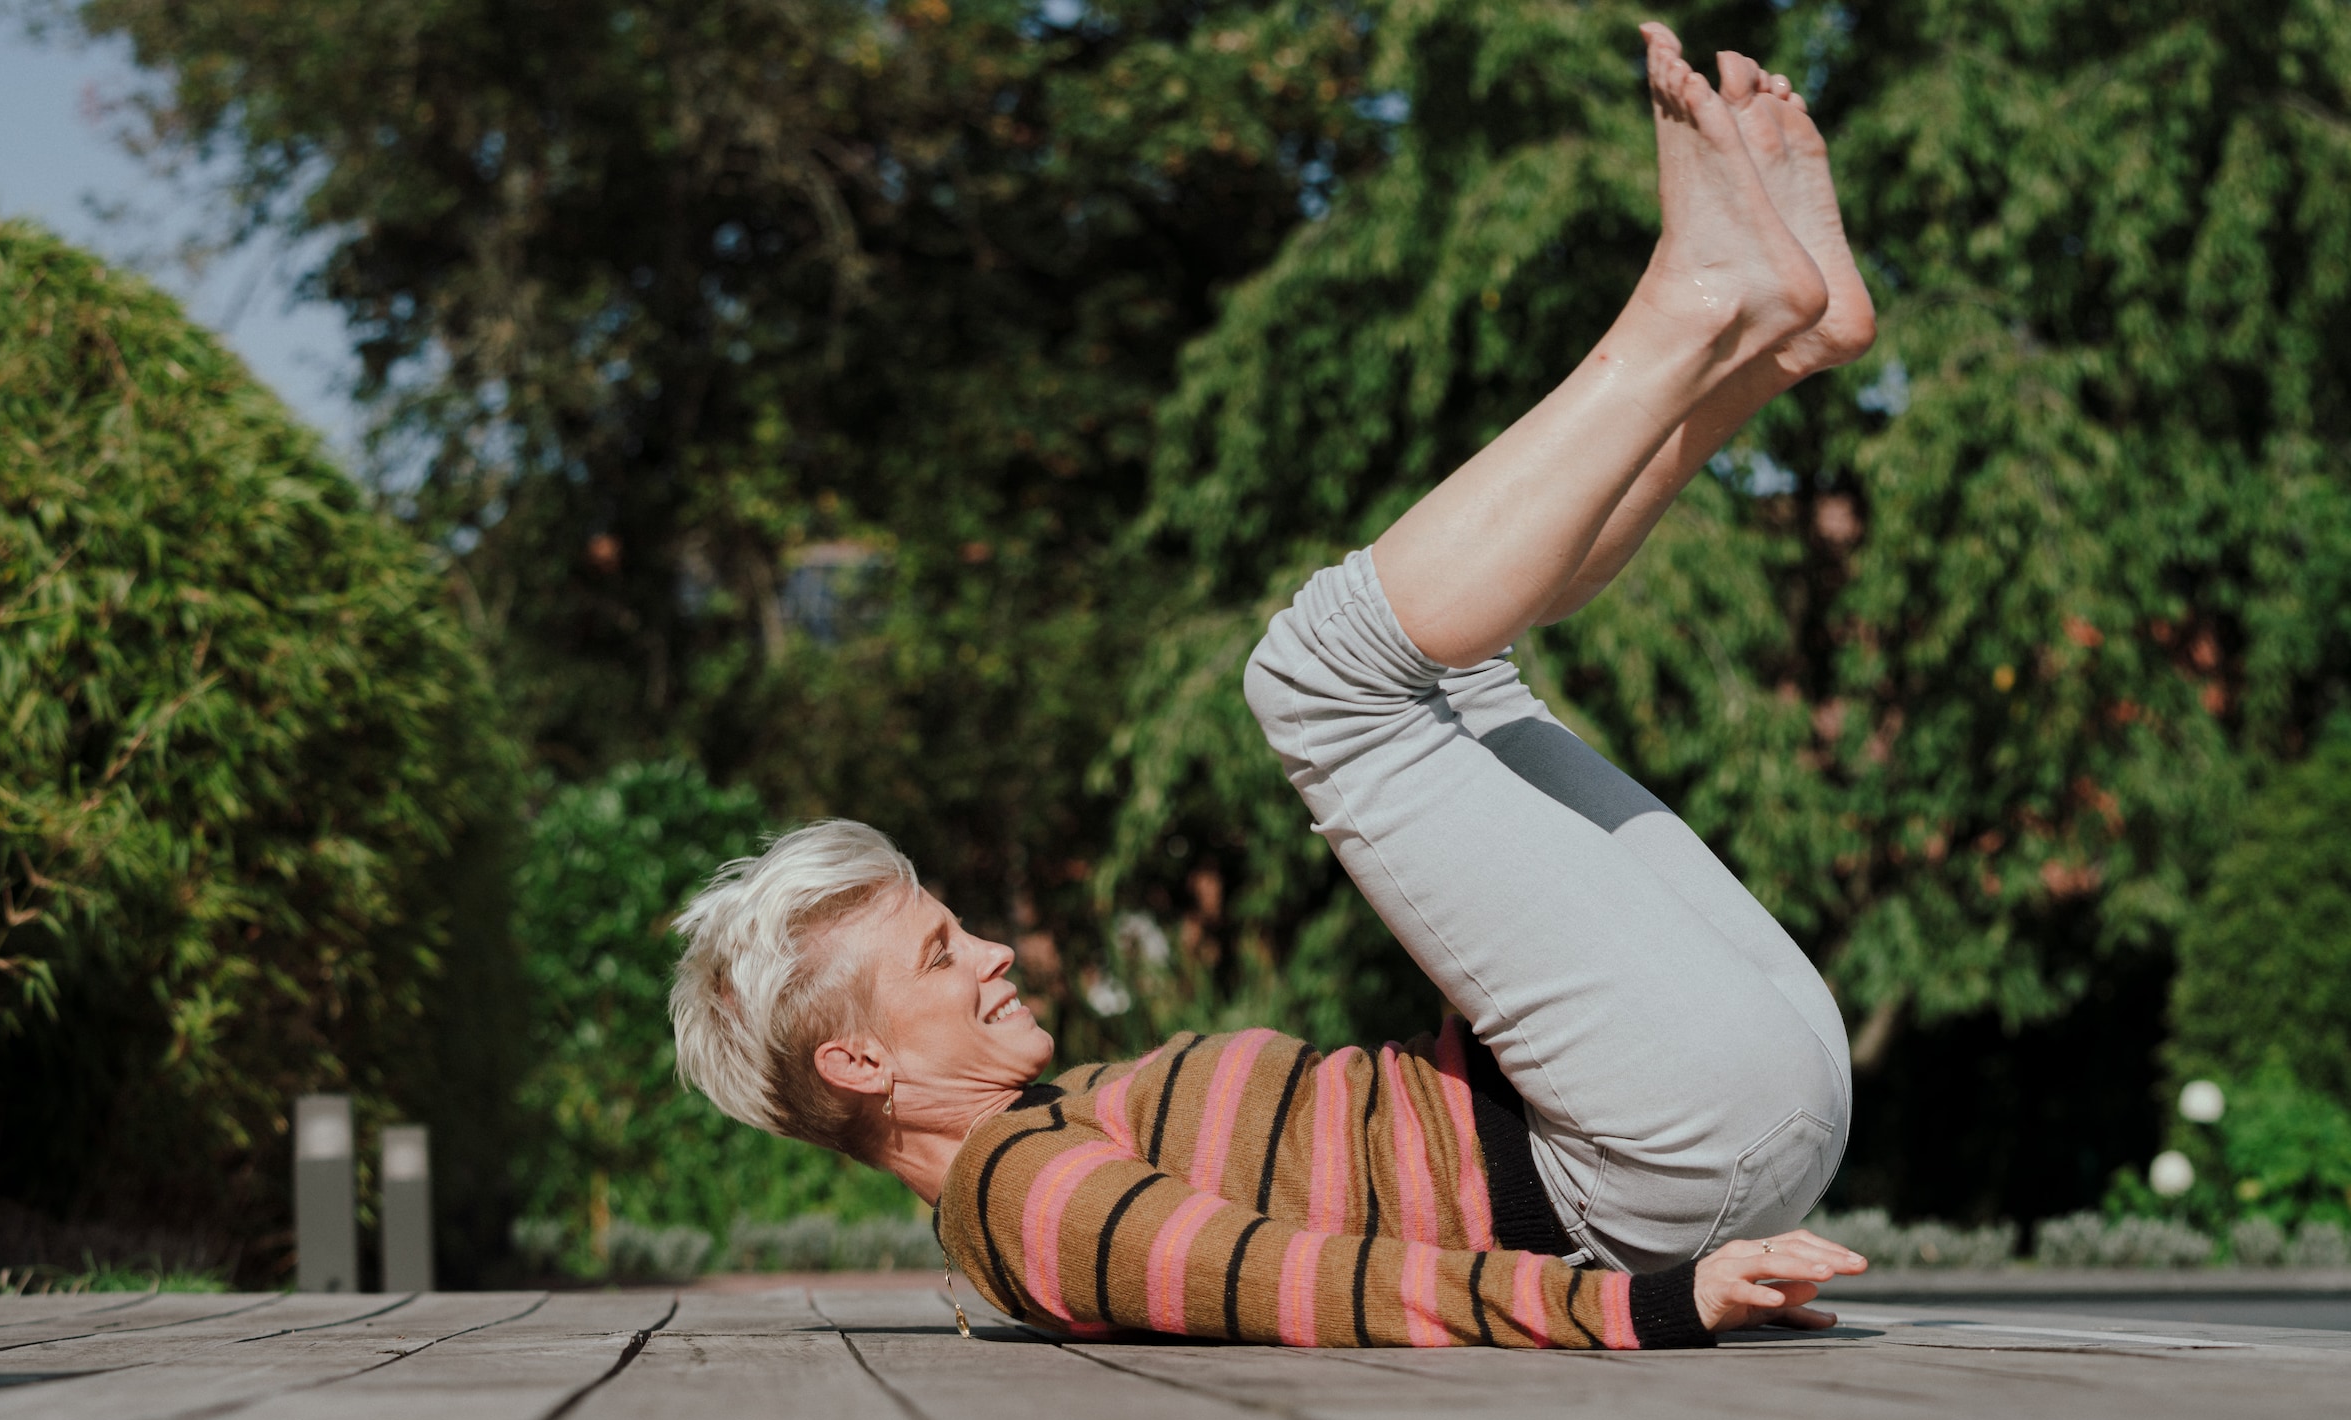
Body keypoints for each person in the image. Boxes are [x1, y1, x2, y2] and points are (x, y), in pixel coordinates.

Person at [669, 24, 1872, 1348]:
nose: (995, 949)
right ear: (860, 1063)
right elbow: (1301, 1283)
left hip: (1701, 1111)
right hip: (1639, 1168)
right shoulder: (1017, 1199)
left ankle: (1761, 340)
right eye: (942, 954)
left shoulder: (1049, 1134)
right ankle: (1693, 309)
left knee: (1451, 653)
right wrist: (1643, 1307)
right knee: (1314, 675)